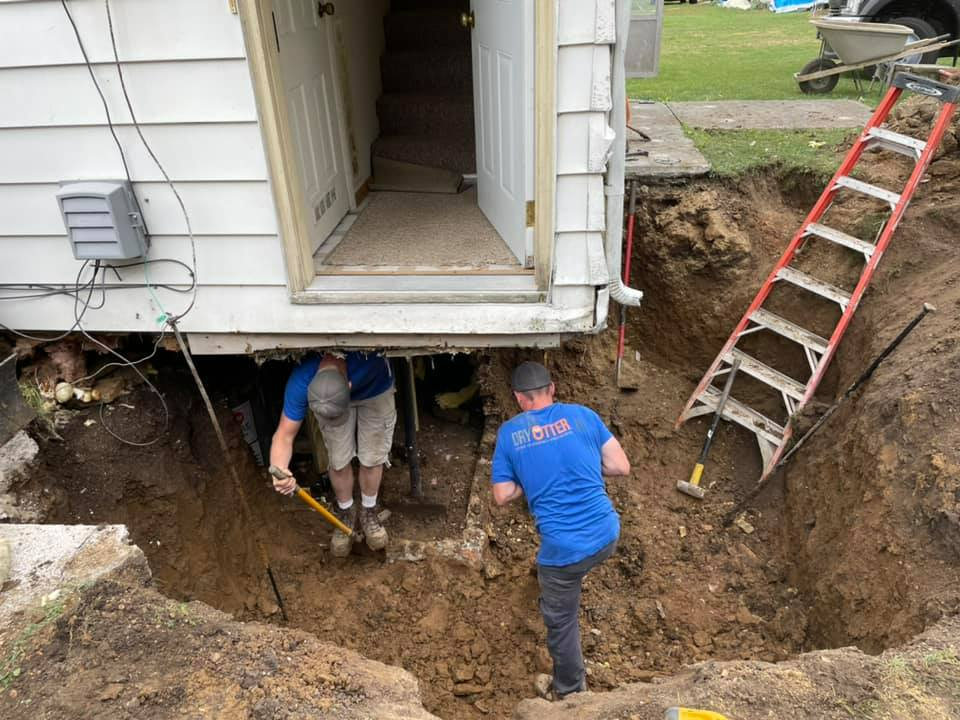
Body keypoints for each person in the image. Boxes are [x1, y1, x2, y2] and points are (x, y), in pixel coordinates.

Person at [490, 361, 630, 700]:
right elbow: (620, 466)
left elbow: (502, 495)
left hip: (565, 553)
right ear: (552, 389)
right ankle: (551, 577)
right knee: (561, 569)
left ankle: (570, 693)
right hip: (607, 533)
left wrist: (530, 479)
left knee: (561, 620)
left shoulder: (509, 434)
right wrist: (579, 466)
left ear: (518, 398)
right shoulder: (584, 415)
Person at [270, 351, 396, 557]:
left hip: (375, 389)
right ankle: (346, 512)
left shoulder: (369, 356)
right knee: (338, 460)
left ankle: (368, 511)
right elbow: (284, 434)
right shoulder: (300, 382)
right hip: (333, 398)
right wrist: (279, 469)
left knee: (373, 457)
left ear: (349, 385)